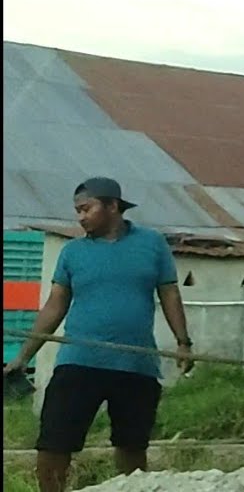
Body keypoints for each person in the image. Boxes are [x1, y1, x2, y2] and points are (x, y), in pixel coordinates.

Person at [2, 177, 194, 492]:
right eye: (77, 210)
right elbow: (55, 306)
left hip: (136, 365)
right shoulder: (73, 252)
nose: (80, 217)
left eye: (86, 209)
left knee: (132, 447)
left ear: (112, 206)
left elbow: (170, 294)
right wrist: (23, 356)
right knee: (53, 445)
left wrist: (183, 343)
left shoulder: (152, 243)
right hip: (78, 363)